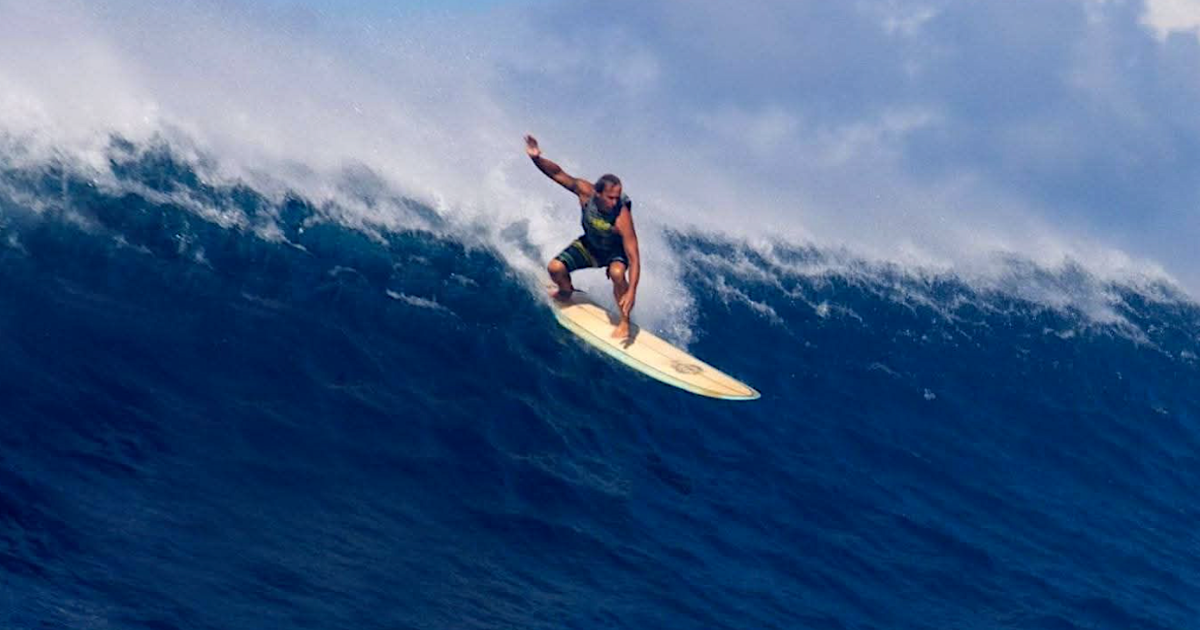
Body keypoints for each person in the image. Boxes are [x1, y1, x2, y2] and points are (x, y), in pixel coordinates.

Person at [525, 134, 640, 339]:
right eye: (610, 197)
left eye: (618, 197)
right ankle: (567, 291)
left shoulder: (622, 216)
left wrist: (631, 291)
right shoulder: (585, 193)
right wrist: (536, 159)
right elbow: (558, 174)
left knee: (616, 273)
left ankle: (624, 322)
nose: (615, 202)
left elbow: (634, 257)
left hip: (615, 253)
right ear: (597, 193)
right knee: (555, 268)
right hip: (591, 247)